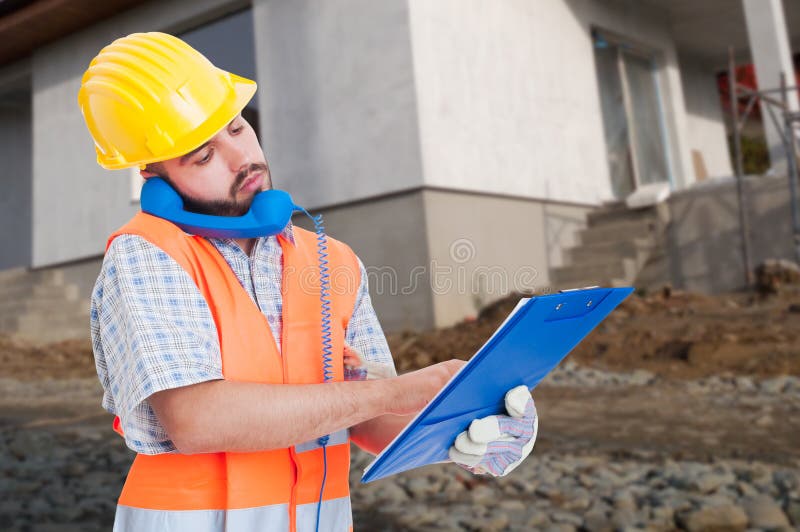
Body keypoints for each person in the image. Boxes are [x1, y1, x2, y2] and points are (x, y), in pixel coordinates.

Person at [80, 32, 538, 532]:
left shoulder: (331, 259)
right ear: (155, 180)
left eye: (236, 128)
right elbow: (197, 420)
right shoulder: (147, 253)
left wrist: (467, 426)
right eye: (202, 155)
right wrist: (395, 392)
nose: (242, 158)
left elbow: (368, 416)